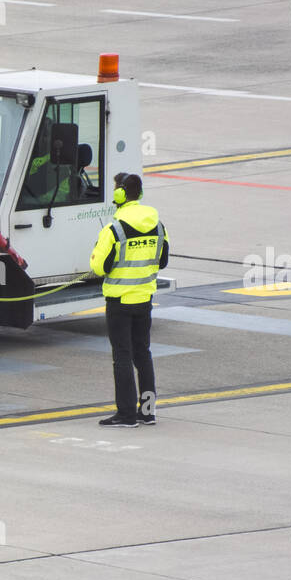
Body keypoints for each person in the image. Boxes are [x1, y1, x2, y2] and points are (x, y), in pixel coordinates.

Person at [90, 172, 168, 427]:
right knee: (143, 355)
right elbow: (163, 260)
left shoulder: (113, 229)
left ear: (119, 195)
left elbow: (100, 267)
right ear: (140, 194)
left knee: (122, 356)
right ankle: (147, 412)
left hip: (119, 301)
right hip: (145, 297)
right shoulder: (158, 225)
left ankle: (126, 414)